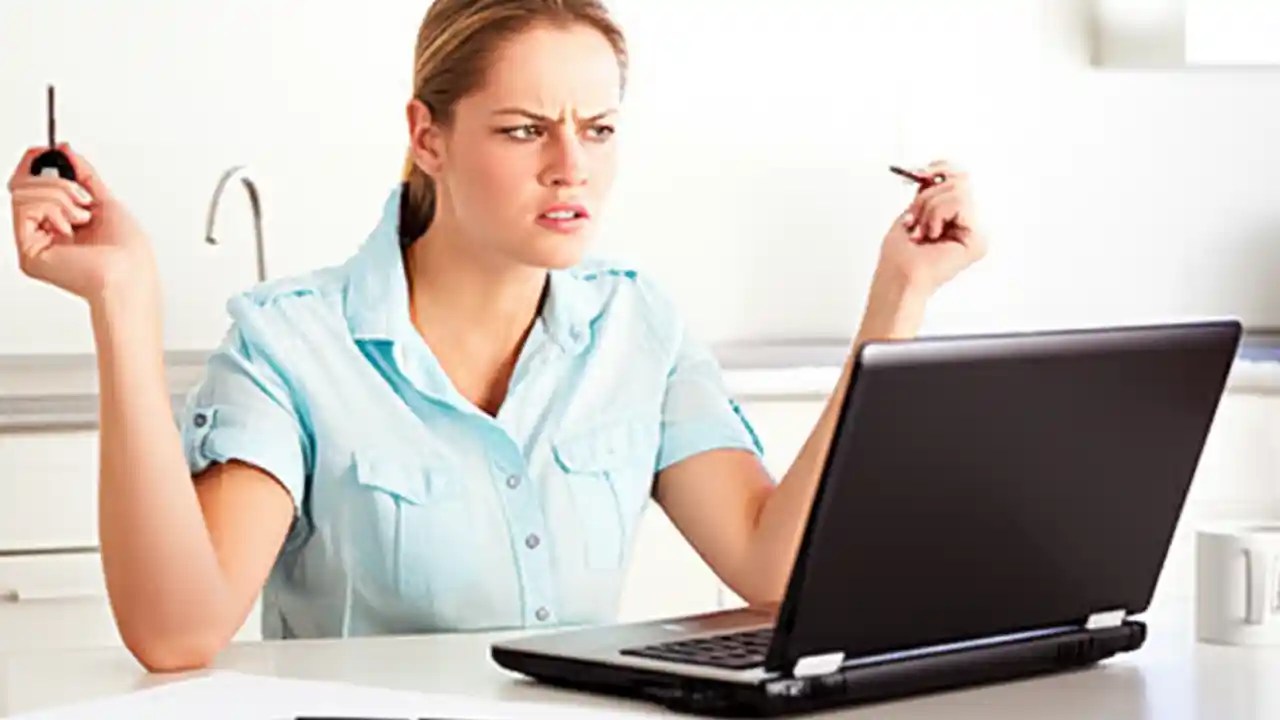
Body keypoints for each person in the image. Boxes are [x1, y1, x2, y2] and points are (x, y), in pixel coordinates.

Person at [5, 0, 986, 673]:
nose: (571, 167)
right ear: (427, 136)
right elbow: (177, 634)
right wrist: (122, 302)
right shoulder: (290, 348)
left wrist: (895, 300)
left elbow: (776, 567)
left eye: (597, 130)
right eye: (523, 130)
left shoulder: (636, 326)